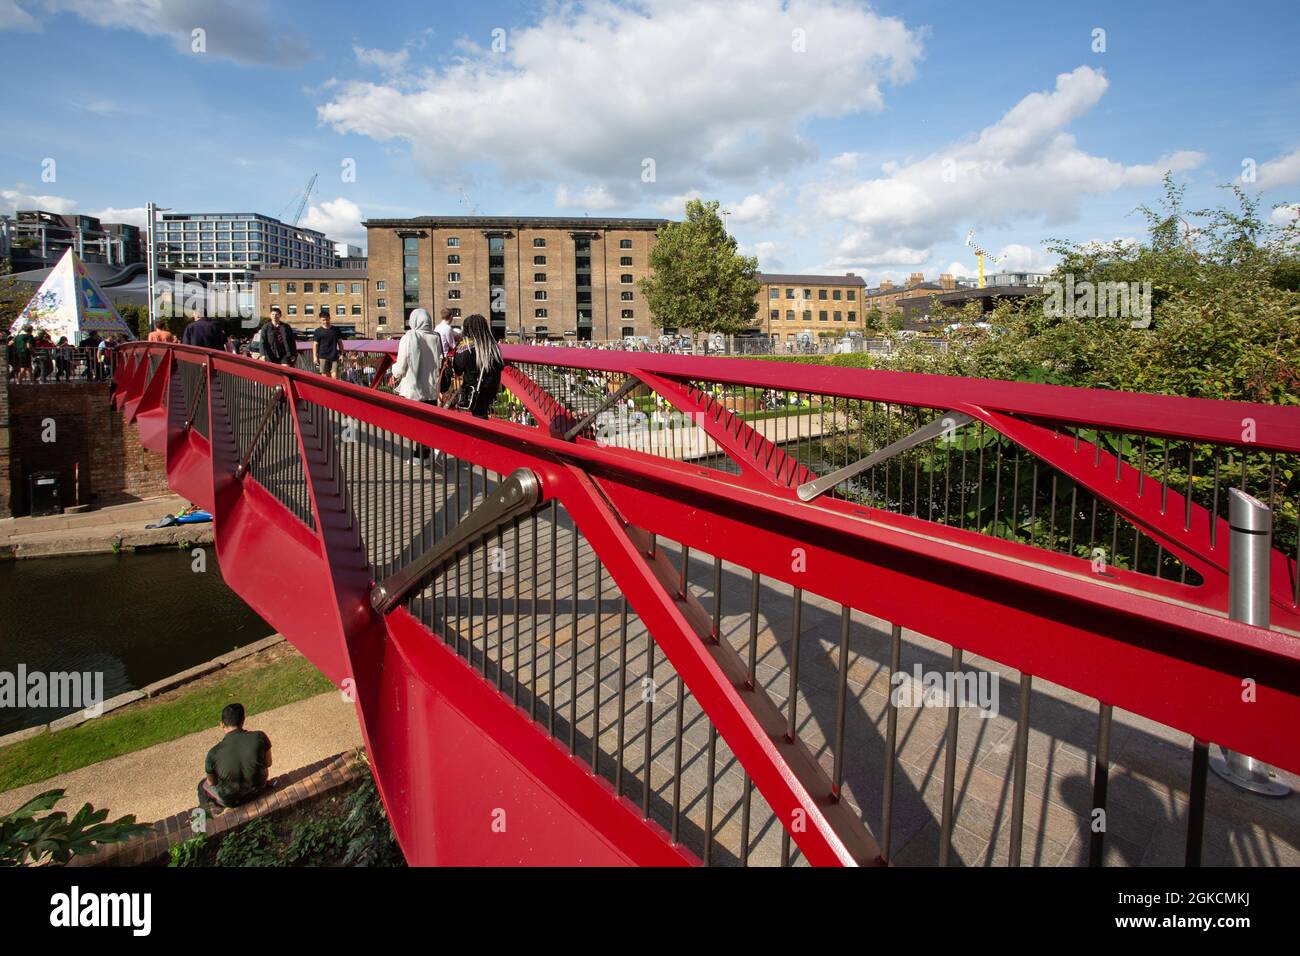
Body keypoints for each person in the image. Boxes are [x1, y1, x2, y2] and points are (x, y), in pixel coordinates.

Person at [197, 703, 273, 812]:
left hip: (232, 801)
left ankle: (207, 819)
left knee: (202, 786)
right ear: (243, 720)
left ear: (222, 725)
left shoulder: (213, 754)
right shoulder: (259, 736)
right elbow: (268, 763)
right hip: (259, 789)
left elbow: (212, 783)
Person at [451, 313, 504, 420]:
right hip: (490, 389)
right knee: (482, 413)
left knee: (476, 416)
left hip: (472, 390)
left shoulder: (464, 346)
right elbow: (500, 365)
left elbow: (458, 369)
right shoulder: (492, 345)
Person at [311, 312, 344, 378]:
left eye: (327, 319)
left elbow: (340, 343)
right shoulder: (318, 331)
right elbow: (315, 345)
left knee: (334, 377)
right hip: (323, 356)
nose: (325, 321)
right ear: (320, 320)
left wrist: (342, 354)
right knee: (325, 377)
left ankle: (334, 388)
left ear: (329, 318)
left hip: (334, 356)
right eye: (323, 320)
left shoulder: (336, 330)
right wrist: (314, 357)